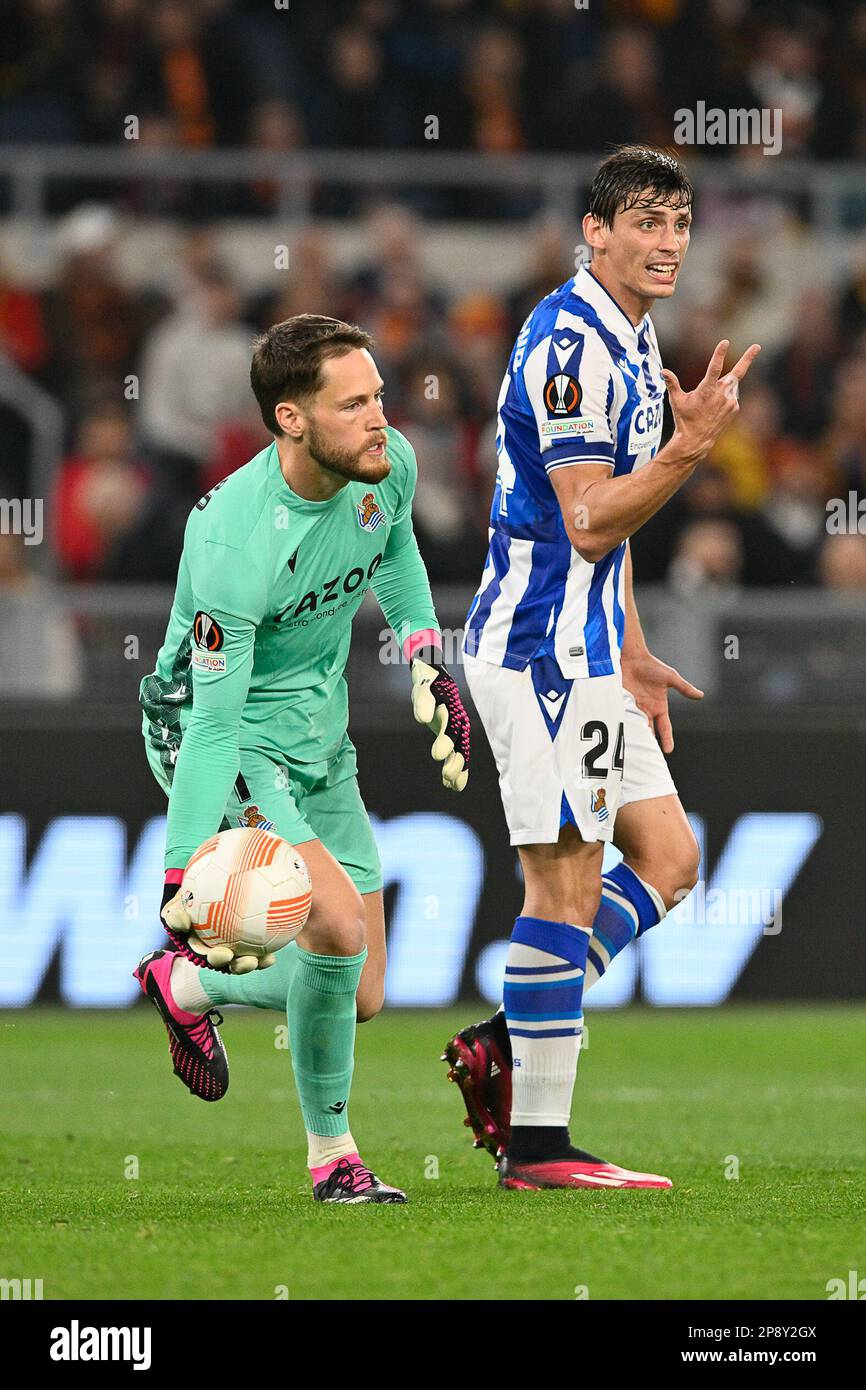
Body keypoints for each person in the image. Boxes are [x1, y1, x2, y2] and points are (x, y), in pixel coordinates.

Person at [446, 145, 760, 1192]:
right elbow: (585, 520)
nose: (666, 241)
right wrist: (690, 450)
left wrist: (627, 646)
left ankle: (506, 1031)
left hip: (586, 653)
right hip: (534, 649)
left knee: (668, 858)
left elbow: (607, 537)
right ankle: (538, 1147)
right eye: (643, 221)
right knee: (565, 882)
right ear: (594, 231)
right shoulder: (570, 346)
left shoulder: (631, 334)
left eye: (677, 221)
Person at [134, 314, 470, 1204]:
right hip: (226, 732)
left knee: (361, 988)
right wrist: (179, 874)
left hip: (322, 733)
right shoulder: (235, 541)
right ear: (291, 420)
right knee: (335, 929)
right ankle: (335, 1159)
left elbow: (391, 546)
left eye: (380, 396)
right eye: (354, 403)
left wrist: (430, 660)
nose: (381, 419)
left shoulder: (384, 464)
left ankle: (190, 986)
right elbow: (210, 724)